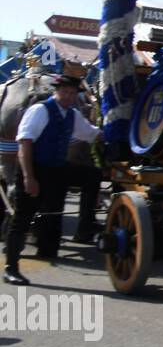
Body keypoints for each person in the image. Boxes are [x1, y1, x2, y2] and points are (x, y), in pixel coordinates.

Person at [5, 74, 102, 285]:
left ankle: (85, 226)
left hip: (56, 168)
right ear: (56, 92)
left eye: (72, 93)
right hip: (35, 169)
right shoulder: (39, 110)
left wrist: (115, 134)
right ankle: (11, 268)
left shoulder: (72, 115)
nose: (68, 96)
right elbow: (25, 144)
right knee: (21, 219)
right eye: (64, 92)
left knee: (92, 175)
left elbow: (91, 133)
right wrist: (29, 178)